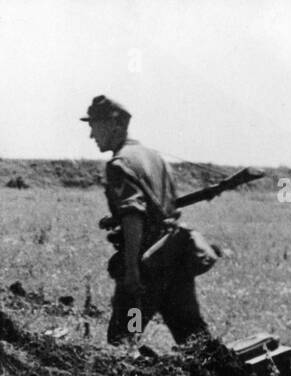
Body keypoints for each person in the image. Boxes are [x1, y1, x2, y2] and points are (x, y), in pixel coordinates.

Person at [82, 95, 207, 348]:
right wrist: (117, 216)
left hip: (147, 266)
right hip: (175, 256)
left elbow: (134, 216)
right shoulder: (154, 157)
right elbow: (161, 205)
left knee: (126, 336)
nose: (91, 135)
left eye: (94, 126)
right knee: (193, 338)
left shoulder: (119, 164)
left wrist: (131, 271)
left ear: (113, 125)